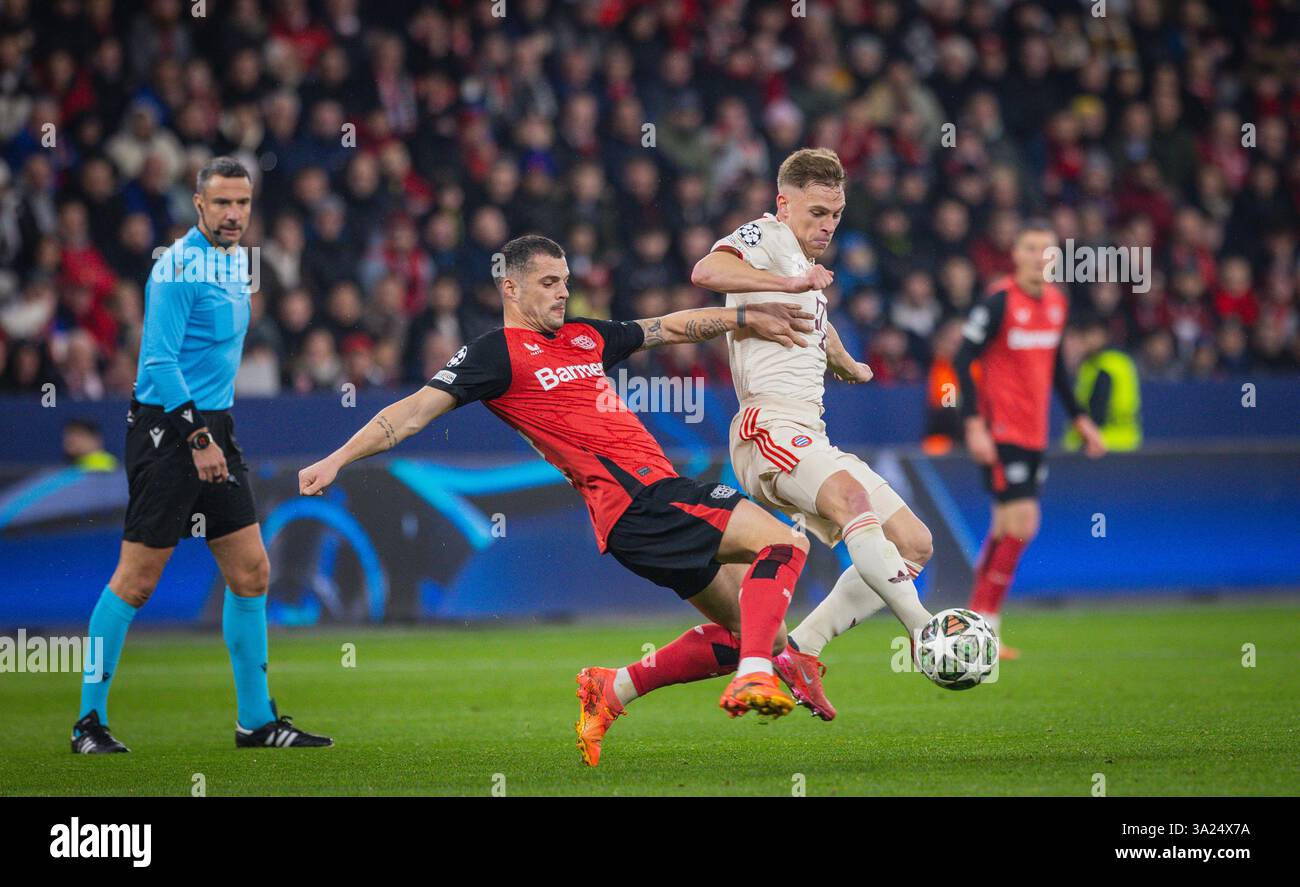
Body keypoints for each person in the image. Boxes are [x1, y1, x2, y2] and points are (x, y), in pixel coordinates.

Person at [298, 235, 817, 766]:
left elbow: (670, 326)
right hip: (642, 499)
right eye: (549, 283)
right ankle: (754, 674)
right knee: (783, 541)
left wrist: (746, 316)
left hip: (639, 516)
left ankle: (614, 689)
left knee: (761, 632)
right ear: (510, 286)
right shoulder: (494, 354)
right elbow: (409, 415)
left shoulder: (584, 336)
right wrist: (336, 459)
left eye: (565, 282)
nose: (562, 293)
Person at [71, 157, 330, 753]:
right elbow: (158, 363)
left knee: (252, 571)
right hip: (170, 430)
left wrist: (212, 431)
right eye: (222, 204)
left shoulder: (239, 263)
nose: (235, 214)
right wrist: (197, 437)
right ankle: (87, 723)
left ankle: (256, 721)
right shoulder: (176, 267)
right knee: (136, 582)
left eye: (242, 203)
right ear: (198, 205)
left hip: (212, 425)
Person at [691, 147, 936, 721]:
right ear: (785, 202)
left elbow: (812, 327)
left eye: (835, 216)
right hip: (765, 426)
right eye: (817, 212)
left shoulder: (808, 273)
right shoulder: (770, 236)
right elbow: (706, 271)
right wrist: (790, 276)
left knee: (913, 543)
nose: (826, 226)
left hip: (810, 432)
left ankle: (801, 650)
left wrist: (847, 362)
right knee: (853, 503)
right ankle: (927, 630)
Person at [955, 220, 1107, 659]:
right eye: (1031, 247)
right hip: (1001, 429)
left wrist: (1080, 418)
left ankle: (979, 627)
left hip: (1035, 431)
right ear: (1017, 255)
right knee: (1023, 524)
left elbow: (1056, 368)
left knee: (1006, 526)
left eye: (1048, 249)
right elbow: (964, 357)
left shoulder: (1057, 304)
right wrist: (973, 423)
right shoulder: (1000, 302)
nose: (1041, 256)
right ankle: (986, 625)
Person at [1063, 314, 1142, 452]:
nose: (1083, 341)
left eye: (1087, 335)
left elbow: (1098, 410)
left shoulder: (1104, 366)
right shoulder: (1118, 361)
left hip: (1103, 446)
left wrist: (1085, 441)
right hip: (1125, 443)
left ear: (1101, 335)